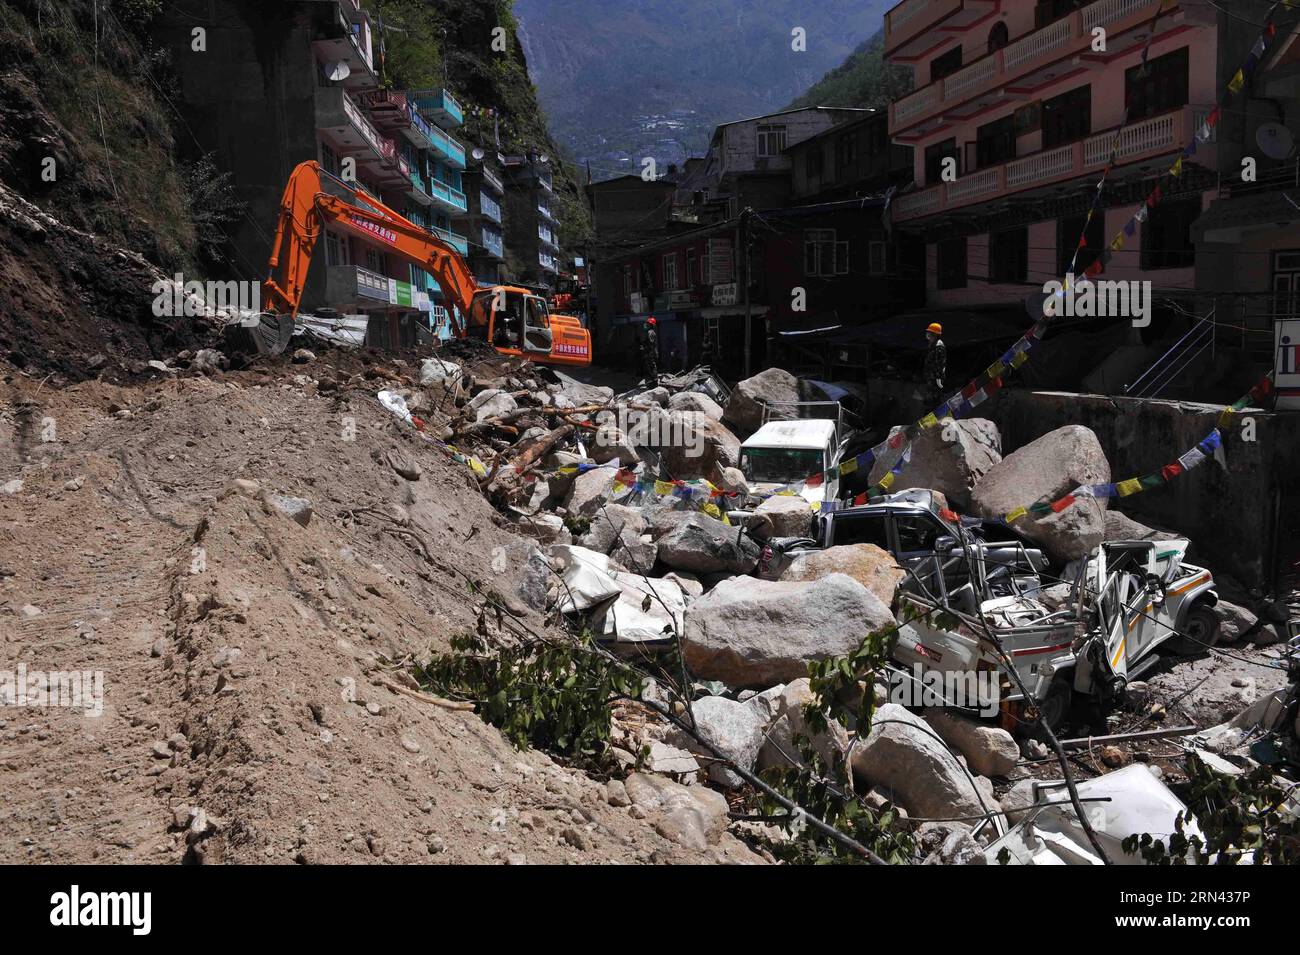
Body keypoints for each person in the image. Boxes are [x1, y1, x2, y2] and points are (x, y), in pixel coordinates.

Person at [922, 322, 946, 407]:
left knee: (935, 398)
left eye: (930, 333)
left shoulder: (939, 347)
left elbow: (940, 364)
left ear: (935, 335)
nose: (928, 335)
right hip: (931, 377)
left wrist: (938, 378)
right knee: (929, 398)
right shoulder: (932, 344)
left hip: (935, 379)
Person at [640, 316, 659, 386]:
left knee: (651, 366)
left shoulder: (650, 332)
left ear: (651, 325)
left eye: (648, 324)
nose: (646, 325)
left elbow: (650, 343)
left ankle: (654, 381)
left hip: (650, 352)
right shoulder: (651, 332)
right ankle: (653, 381)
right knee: (650, 366)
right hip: (650, 352)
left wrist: (644, 348)